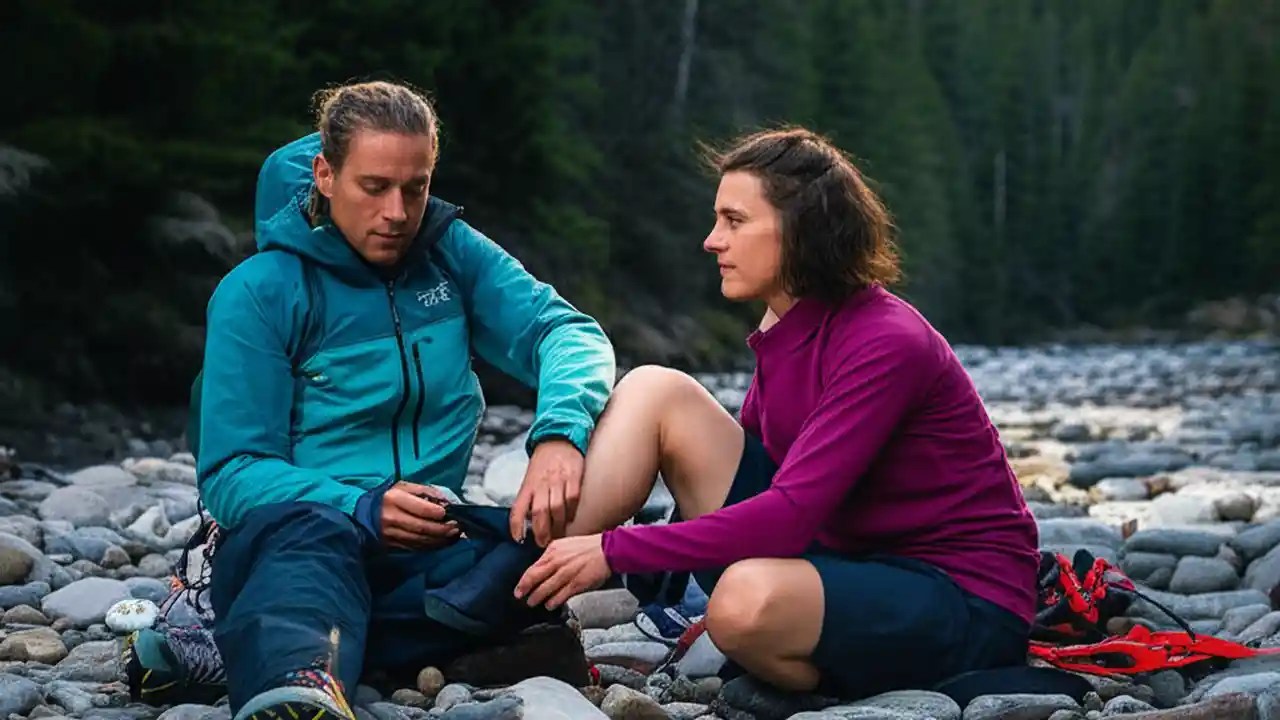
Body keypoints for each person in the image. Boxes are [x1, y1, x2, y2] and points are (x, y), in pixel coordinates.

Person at [514, 126, 1041, 700]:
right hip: (845, 556)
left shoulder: (888, 341)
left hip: (956, 594)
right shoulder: (783, 323)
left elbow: (788, 513)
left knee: (741, 603)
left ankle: (843, 689)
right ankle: (517, 577)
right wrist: (648, 558)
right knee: (655, 390)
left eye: (734, 221)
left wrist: (618, 552)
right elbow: (755, 469)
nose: (712, 240)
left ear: (803, 231)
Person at [192, 80, 615, 720]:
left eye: (415, 187)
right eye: (374, 187)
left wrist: (559, 434)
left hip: (429, 538)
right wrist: (359, 506)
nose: (397, 212)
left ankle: (261, 643)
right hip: (305, 531)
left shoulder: (450, 254)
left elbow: (567, 332)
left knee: (534, 546)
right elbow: (232, 474)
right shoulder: (259, 292)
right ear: (326, 175)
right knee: (307, 546)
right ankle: (301, 682)